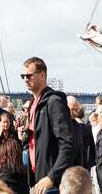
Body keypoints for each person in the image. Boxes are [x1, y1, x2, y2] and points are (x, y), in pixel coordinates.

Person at [24, 59, 79, 194]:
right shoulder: (34, 104)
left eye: (29, 75)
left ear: (42, 75)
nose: (25, 79)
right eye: (23, 76)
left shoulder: (53, 102)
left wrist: (52, 177)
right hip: (38, 178)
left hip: (51, 182)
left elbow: (68, 144)